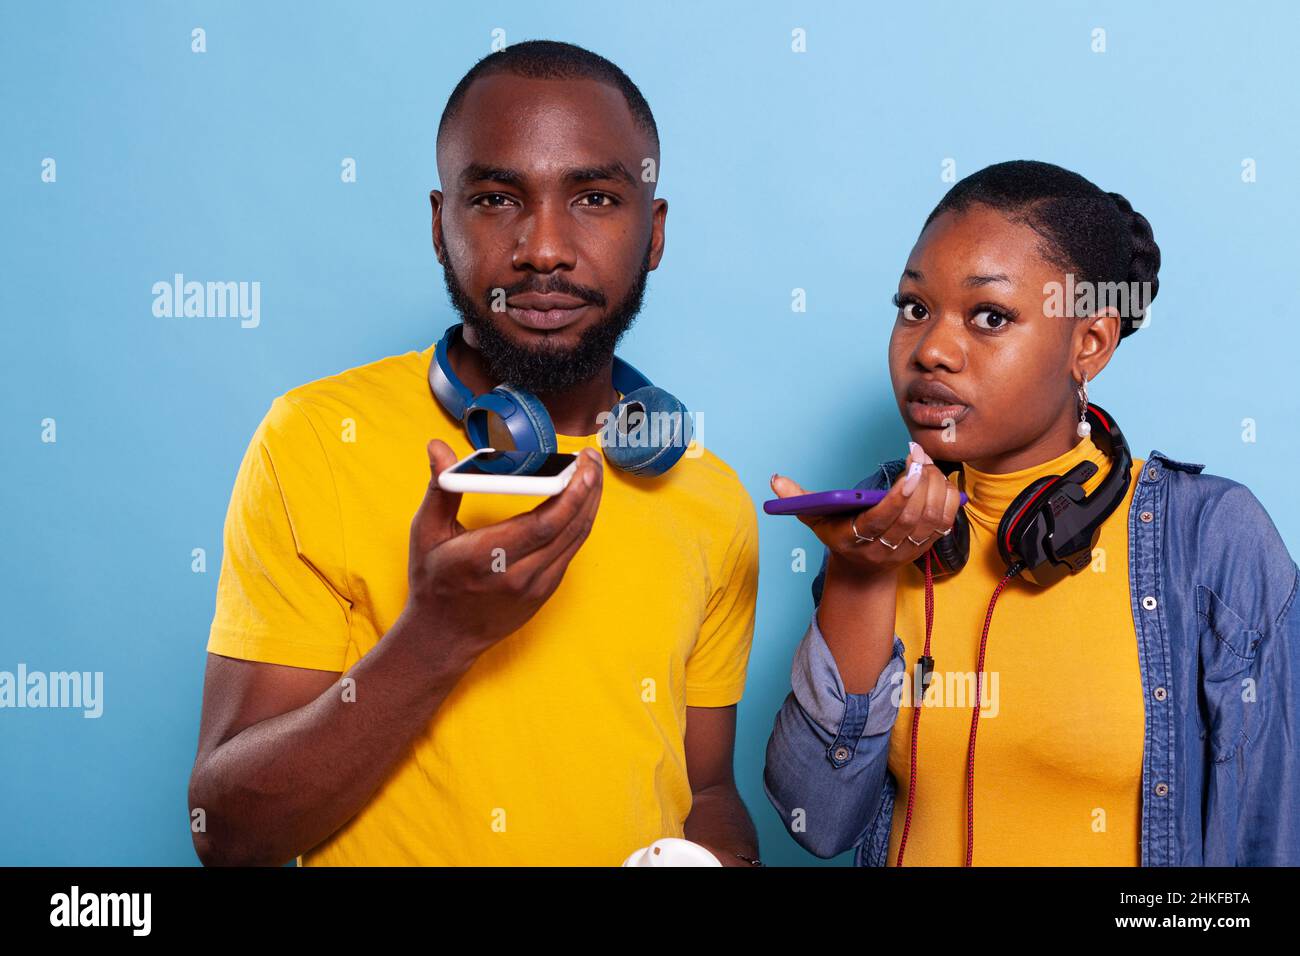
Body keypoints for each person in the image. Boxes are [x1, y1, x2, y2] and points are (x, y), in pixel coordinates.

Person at [188, 40, 761, 867]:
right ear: (438, 223)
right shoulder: (314, 438)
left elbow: (706, 789)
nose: (544, 250)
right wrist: (438, 636)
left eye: (596, 197)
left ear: (655, 231)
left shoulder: (710, 496)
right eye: (496, 199)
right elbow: (227, 833)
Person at [764, 160, 1300, 866]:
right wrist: (858, 575)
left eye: (990, 317)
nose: (931, 350)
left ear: (1090, 344)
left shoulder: (1211, 541)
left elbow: (1273, 835)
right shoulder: (881, 521)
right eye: (914, 308)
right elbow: (817, 821)